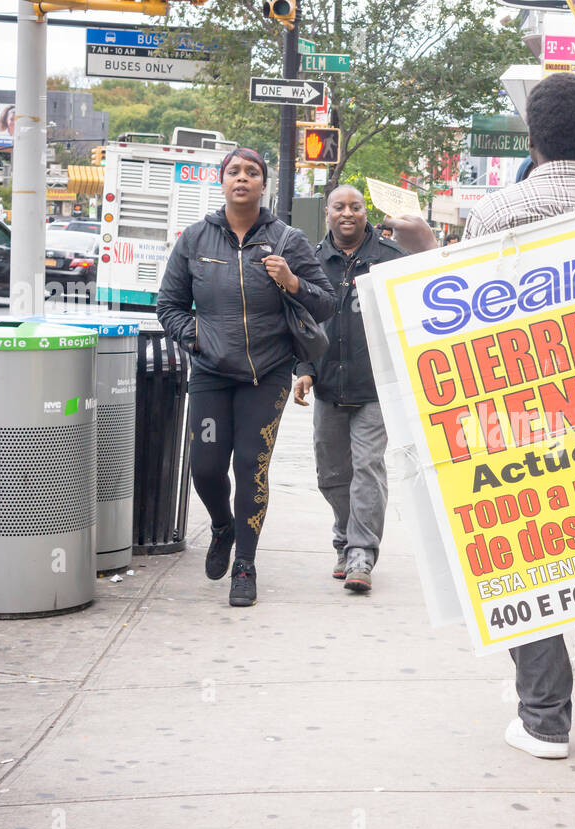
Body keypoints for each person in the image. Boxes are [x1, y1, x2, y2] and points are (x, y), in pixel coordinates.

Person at [462, 72, 575, 761]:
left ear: (531, 137)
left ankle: (542, 718)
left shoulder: (492, 213)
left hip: (513, 417)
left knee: (526, 553)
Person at [157, 146, 334, 607]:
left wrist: (293, 282)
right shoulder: (195, 239)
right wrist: (194, 337)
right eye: (233, 171)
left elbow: (326, 301)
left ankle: (245, 565)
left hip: (268, 374)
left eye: (251, 173)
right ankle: (222, 526)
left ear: (263, 184)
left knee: (250, 467)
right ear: (222, 180)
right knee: (207, 467)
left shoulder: (287, 240)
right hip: (212, 372)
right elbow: (167, 306)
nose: (242, 178)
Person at [306, 185, 406, 593]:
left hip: (375, 387)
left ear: (367, 212)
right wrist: (304, 370)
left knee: (367, 468)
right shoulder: (311, 263)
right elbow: (302, 322)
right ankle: (345, 539)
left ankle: (362, 553)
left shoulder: (389, 259)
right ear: (327, 213)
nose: (348, 213)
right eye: (339, 207)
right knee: (332, 474)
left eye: (356, 206)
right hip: (328, 385)